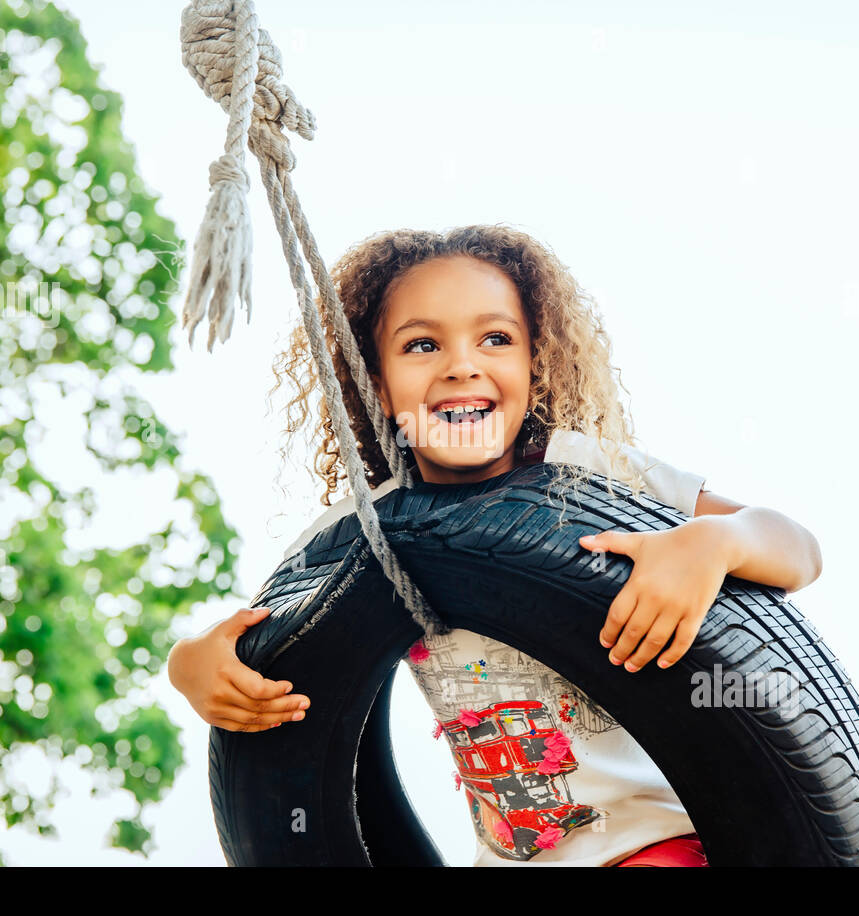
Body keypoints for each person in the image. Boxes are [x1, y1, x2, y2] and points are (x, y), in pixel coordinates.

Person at [168, 224, 822, 867]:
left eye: (495, 338)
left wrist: (714, 541)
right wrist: (190, 666)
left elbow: (799, 551)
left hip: (653, 846)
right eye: (421, 345)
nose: (461, 365)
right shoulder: (365, 534)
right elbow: (266, 644)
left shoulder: (592, 475)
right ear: (374, 380)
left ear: (532, 364)